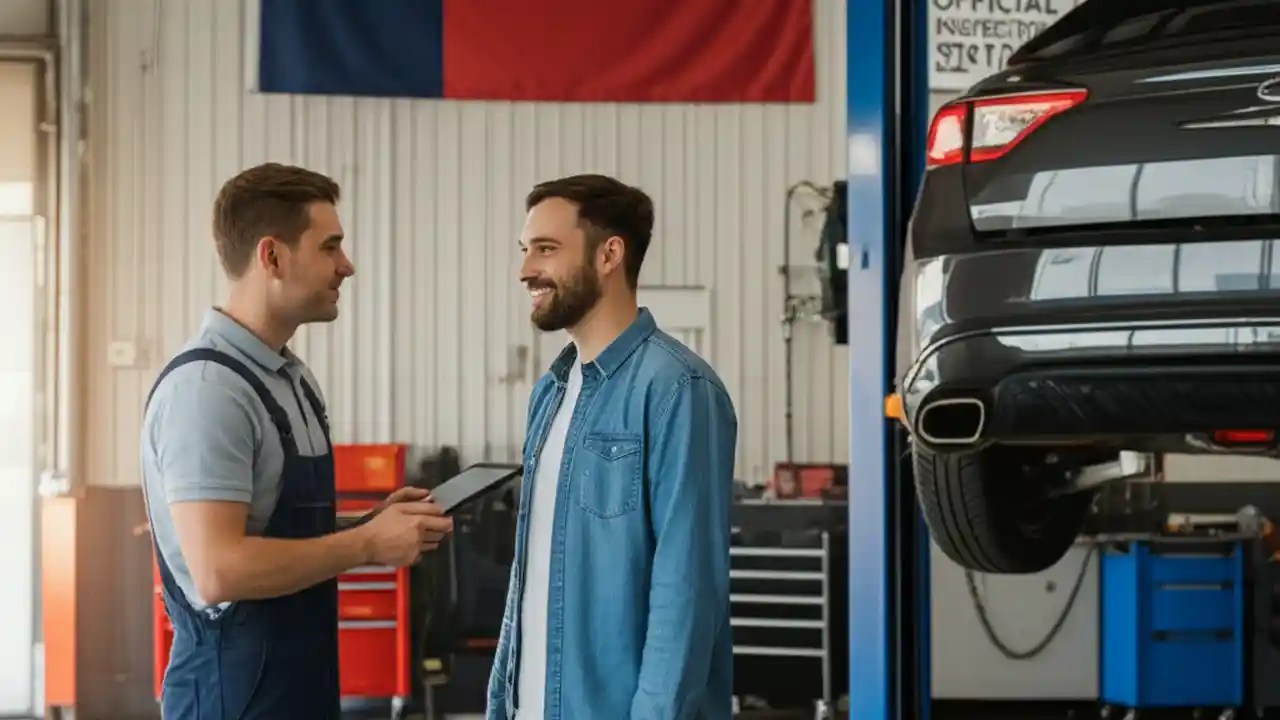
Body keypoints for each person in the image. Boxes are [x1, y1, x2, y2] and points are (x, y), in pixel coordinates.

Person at [139, 162, 454, 719]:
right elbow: (219, 571)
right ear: (273, 257)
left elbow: (272, 532)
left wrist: (369, 524)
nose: (346, 266)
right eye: (330, 247)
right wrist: (367, 547)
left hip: (301, 690)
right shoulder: (209, 391)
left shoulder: (291, 378)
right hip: (229, 699)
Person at [487, 174, 739, 719]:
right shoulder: (550, 393)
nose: (525, 269)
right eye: (525, 250)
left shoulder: (678, 390)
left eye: (546, 249)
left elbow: (687, 593)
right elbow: (530, 576)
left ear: (609, 255)